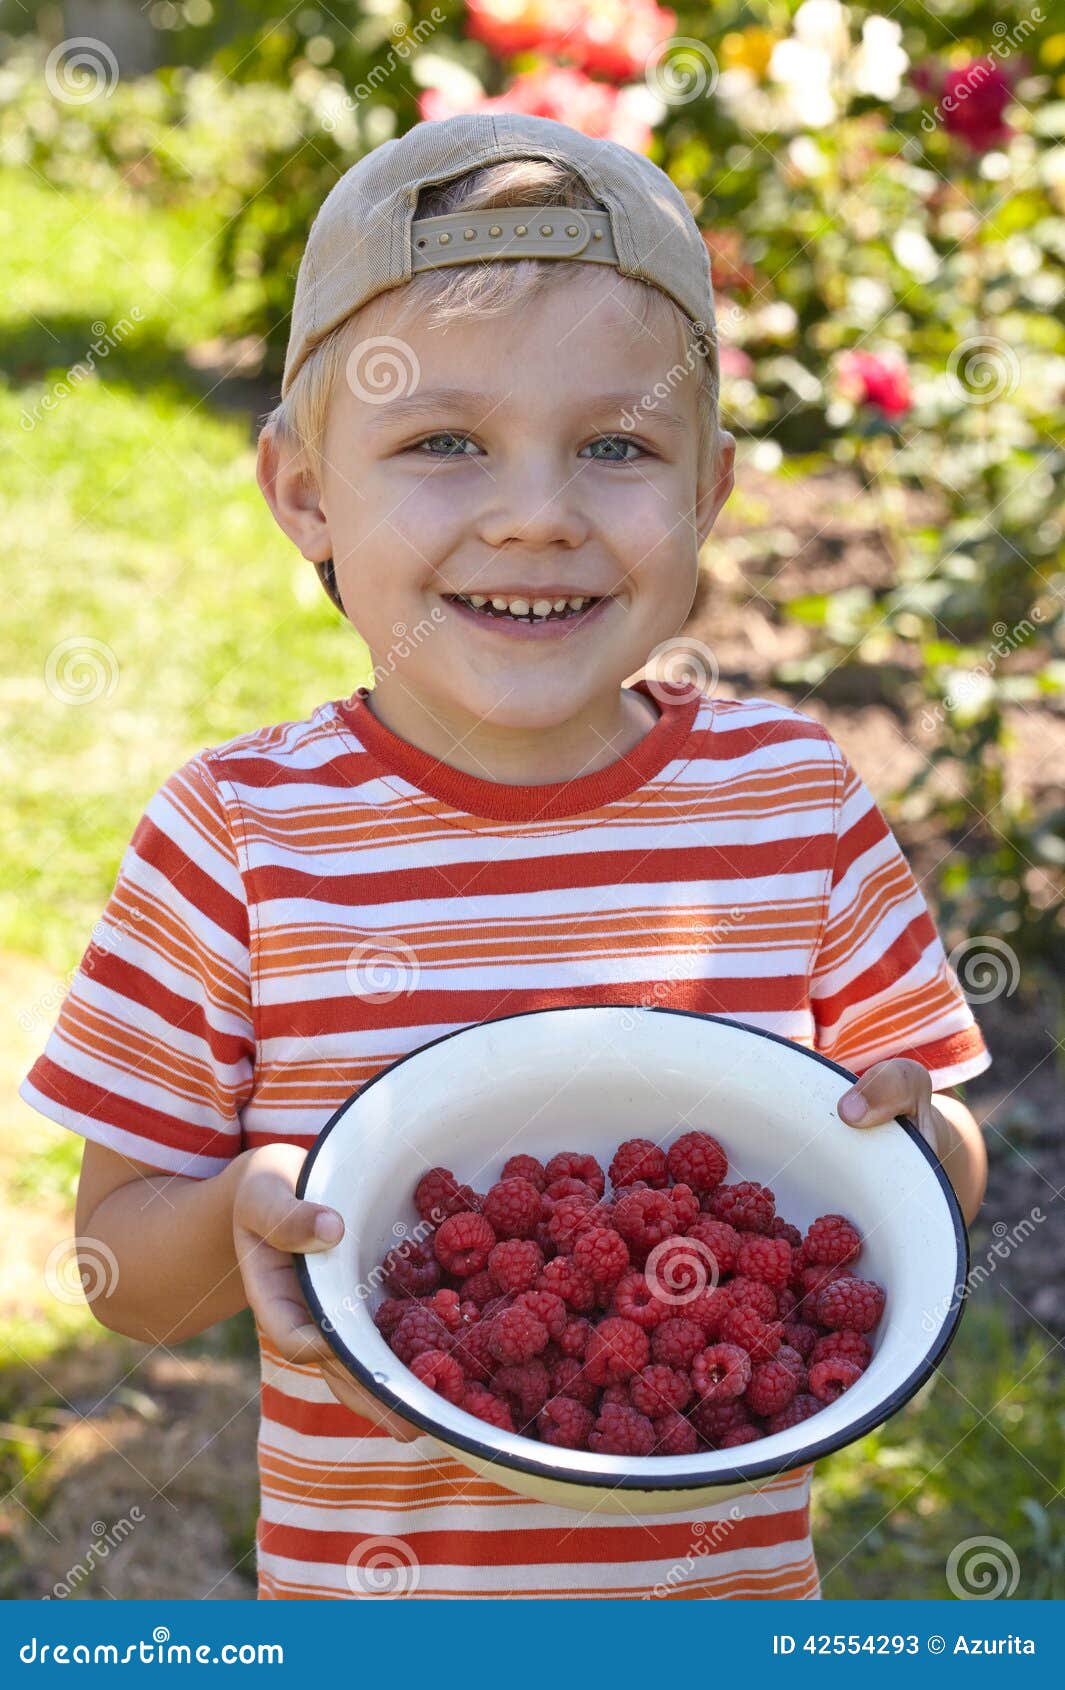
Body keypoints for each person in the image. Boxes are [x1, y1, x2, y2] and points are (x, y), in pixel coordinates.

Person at [20, 112, 991, 1600]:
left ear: (708, 496)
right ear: (302, 493)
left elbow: (936, 1165)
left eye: (616, 446)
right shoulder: (236, 838)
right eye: (442, 441)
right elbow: (122, 1280)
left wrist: (915, 1151)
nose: (535, 514)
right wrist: (239, 1212)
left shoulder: (791, 805)